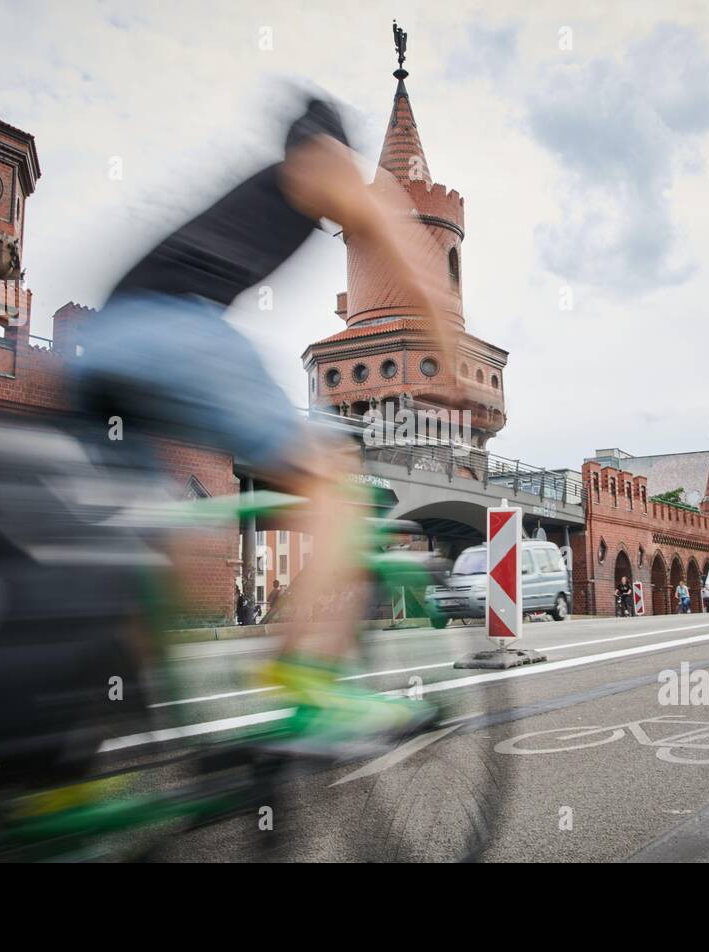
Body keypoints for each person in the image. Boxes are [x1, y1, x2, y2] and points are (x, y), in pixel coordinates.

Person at [73, 98, 459, 743]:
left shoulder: (254, 194)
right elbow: (399, 240)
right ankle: (307, 675)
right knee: (334, 482)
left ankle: (75, 766)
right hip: (175, 327)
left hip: (101, 354)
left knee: (143, 550)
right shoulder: (319, 158)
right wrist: (443, 346)